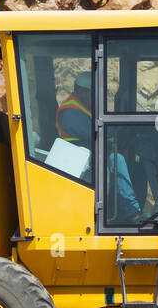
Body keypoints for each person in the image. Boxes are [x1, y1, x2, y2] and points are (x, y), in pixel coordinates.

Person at [54, 71, 142, 220]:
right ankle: (131, 211)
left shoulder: (83, 107)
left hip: (89, 153)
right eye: (93, 93)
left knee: (133, 164)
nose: (98, 98)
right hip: (77, 159)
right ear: (82, 92)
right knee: (117, 159)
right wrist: (118, 126)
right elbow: (93, 132)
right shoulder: (70, 111)